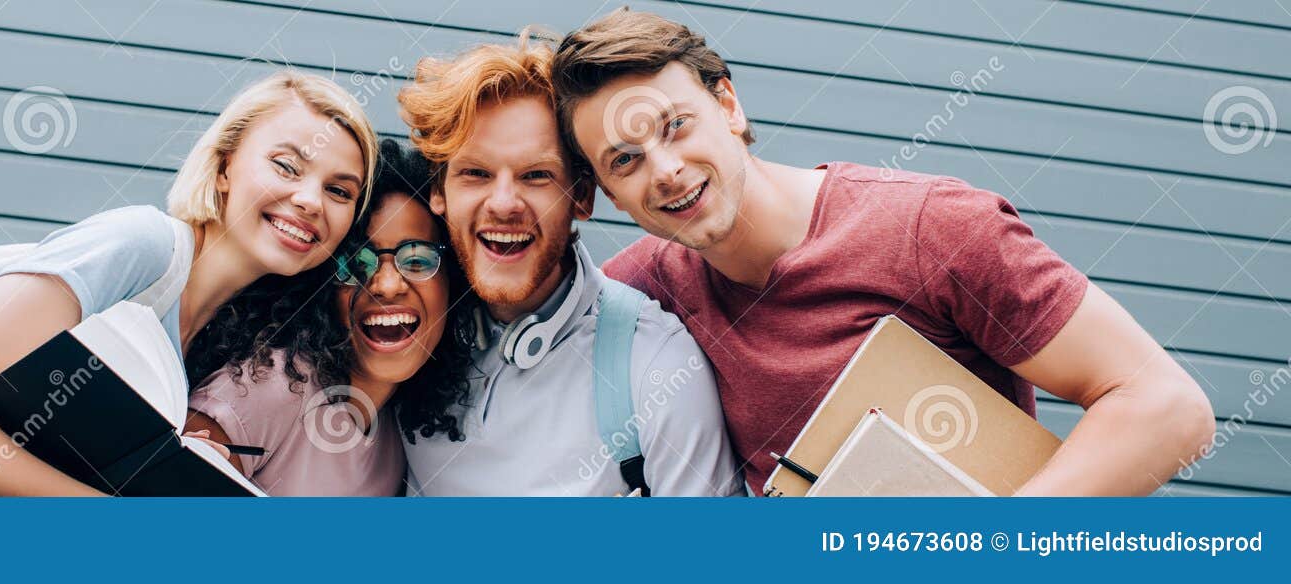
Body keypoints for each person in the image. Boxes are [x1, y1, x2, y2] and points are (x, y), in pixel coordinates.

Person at [551, 9, 1216, 496]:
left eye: (675, 126)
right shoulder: (639, 292)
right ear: (605, 190)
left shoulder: (933, 228)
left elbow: (1166, 406)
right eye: (626, 159)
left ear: (726, 102)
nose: (664, 169)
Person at [0, 72, 379, 497]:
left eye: (339, 190)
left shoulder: (209, 339)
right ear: (223, 167)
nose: (308, 200)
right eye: (287, 165)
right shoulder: (140, 244)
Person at [395, 30, 743, 496]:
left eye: (536, 175)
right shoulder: (402, 339)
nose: (503, 203)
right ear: (439, 192)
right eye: (475, 173)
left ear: (581, 194)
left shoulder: (655, 365)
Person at [180, 140, 480, 496]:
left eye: (417, 260)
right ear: (320, 285)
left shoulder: (396, 431)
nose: (386, 285)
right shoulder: (271, 386)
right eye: (356, 264)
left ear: (455, 283)